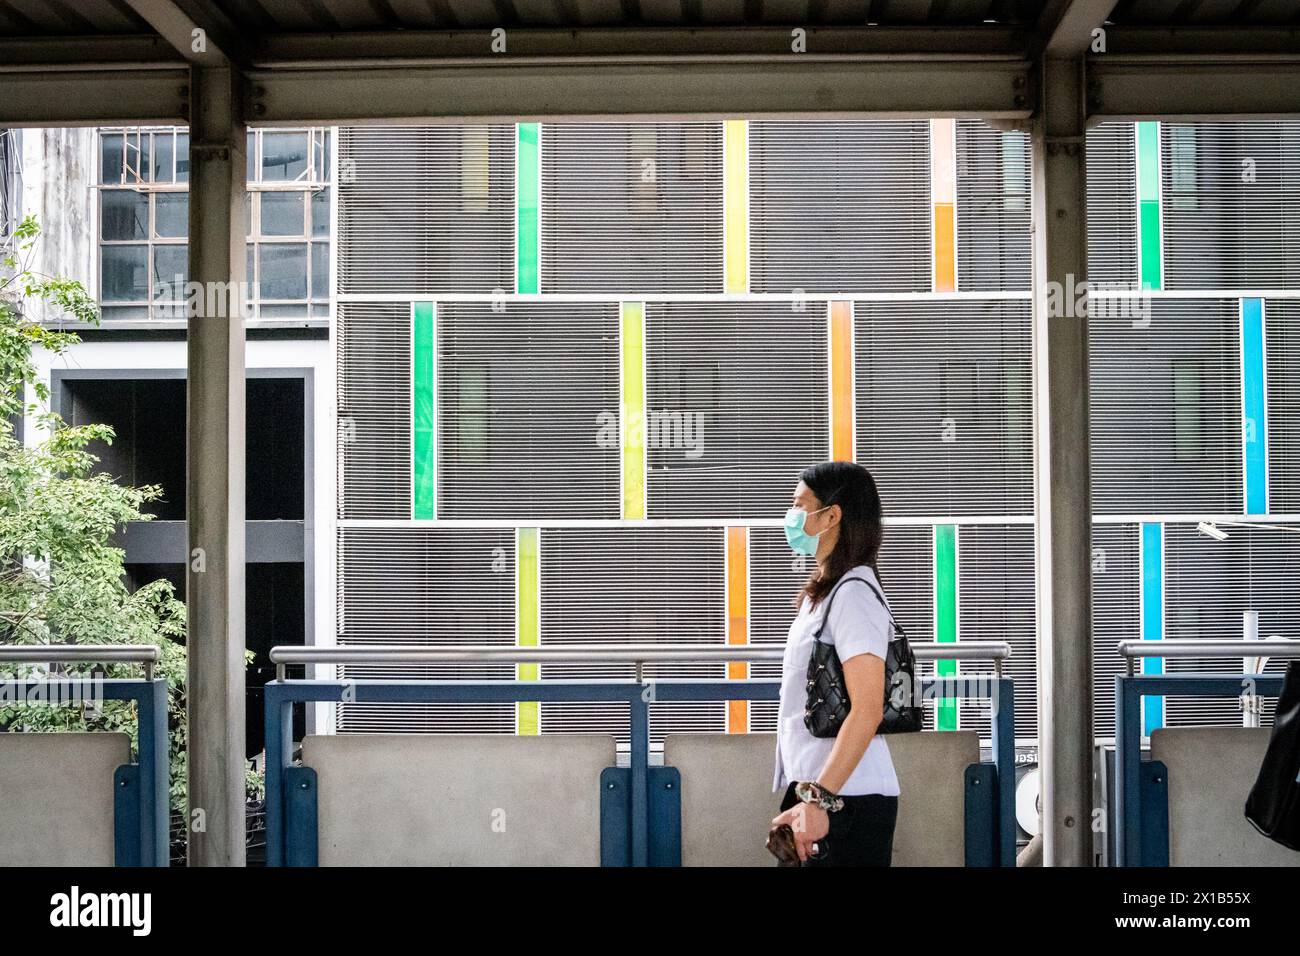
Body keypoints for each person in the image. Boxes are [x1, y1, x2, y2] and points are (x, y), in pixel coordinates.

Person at [769, 461, 900, 866]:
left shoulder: (854, 597)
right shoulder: (828, 594)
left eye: (799, 505)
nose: (791, 517)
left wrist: (818, 800)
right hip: (822, 788)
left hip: (844, 795)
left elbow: (867, 709)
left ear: (832, 515)